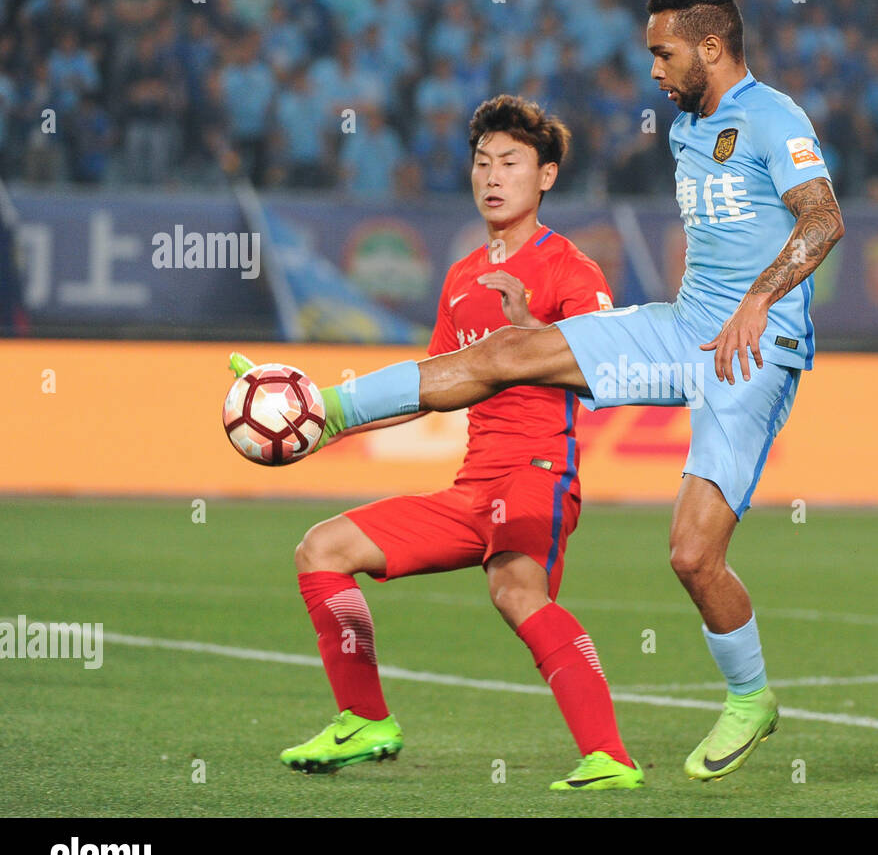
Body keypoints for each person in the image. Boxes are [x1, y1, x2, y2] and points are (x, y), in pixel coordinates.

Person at [238, 0, 844, 782]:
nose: (654, 72)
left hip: (754, 349)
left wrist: (759, 304)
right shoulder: (687, 130)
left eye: (663, 55)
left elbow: (825, 217)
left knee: (693, 556)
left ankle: (750, 698)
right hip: (686, 328)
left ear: (710, 46)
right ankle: (327, 409)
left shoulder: (774, 116)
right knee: (504, 353)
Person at [234, 94, 640, 791]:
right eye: (482, 161)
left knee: (516, 590)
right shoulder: (459, 281)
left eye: (511, 162)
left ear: (545, 177)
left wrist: (530, 336)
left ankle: (610, 757)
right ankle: (364, 719)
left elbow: (609, 368)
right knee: (321, 549)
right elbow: (431, 387)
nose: (492, 175)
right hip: (471, 488)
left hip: (538, 472)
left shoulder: (570, 270)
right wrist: (320, 427)